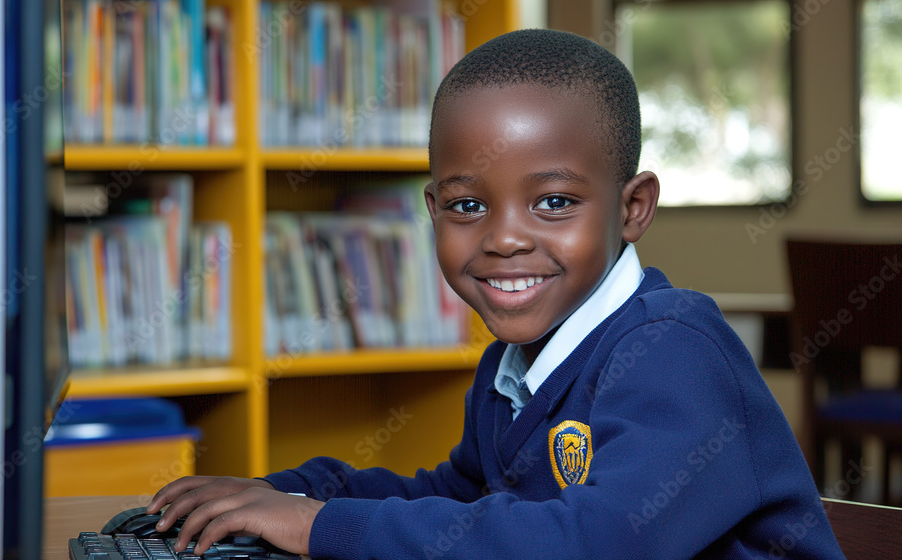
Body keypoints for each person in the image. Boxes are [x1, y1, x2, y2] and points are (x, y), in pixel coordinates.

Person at [147, 29, 846, 559]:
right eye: (466, 207)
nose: (503, 239)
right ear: (431, 210)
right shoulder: (512, 367)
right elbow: (461, 500)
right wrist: (297, 493)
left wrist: (319, 526)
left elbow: (596, 542)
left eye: (552, 202)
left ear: (633, 208)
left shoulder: (673, 349)